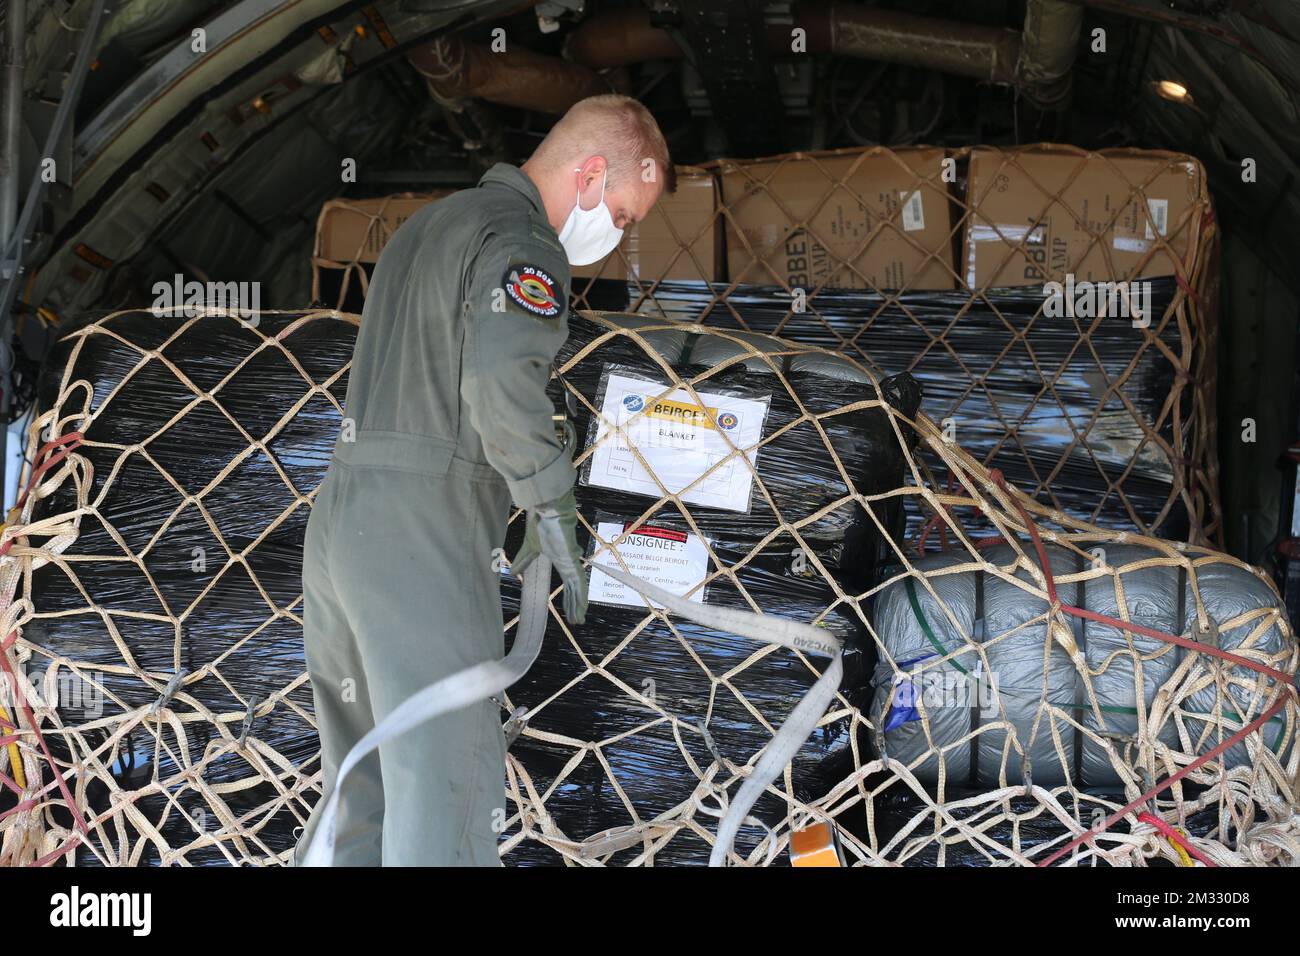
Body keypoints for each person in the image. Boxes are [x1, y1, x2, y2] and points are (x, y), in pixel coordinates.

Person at [294, 94, 673, 866]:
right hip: (420, 538)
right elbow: (500, 380)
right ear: (592, 172)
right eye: (626, 216)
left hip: (342, 524)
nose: (619, 235)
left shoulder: (427, 227)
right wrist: (549, 499)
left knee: (362, 784)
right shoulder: (522, 241)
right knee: (444, 790)